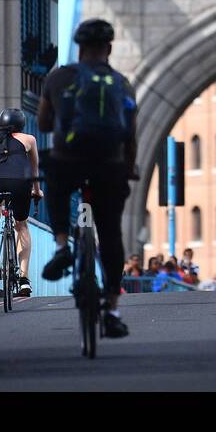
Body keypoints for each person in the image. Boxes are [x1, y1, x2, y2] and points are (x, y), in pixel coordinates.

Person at [37, 18, 138, 339]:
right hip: (109, 166)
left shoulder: (58, 78)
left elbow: (42, 123)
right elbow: (131, 137)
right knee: (110, 234)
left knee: (53, 177)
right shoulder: (121, 84)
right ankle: (111, 308)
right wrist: (129, 168)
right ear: (108, 49)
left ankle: (62, 243)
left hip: (70, 161)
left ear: (79, 49)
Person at [0, 107, 42, 298]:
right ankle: (24, 280)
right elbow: (34, 172)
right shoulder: (29, 140)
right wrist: (36, 192)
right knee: (21, 225)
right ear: (21, 124)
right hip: (20, 185)